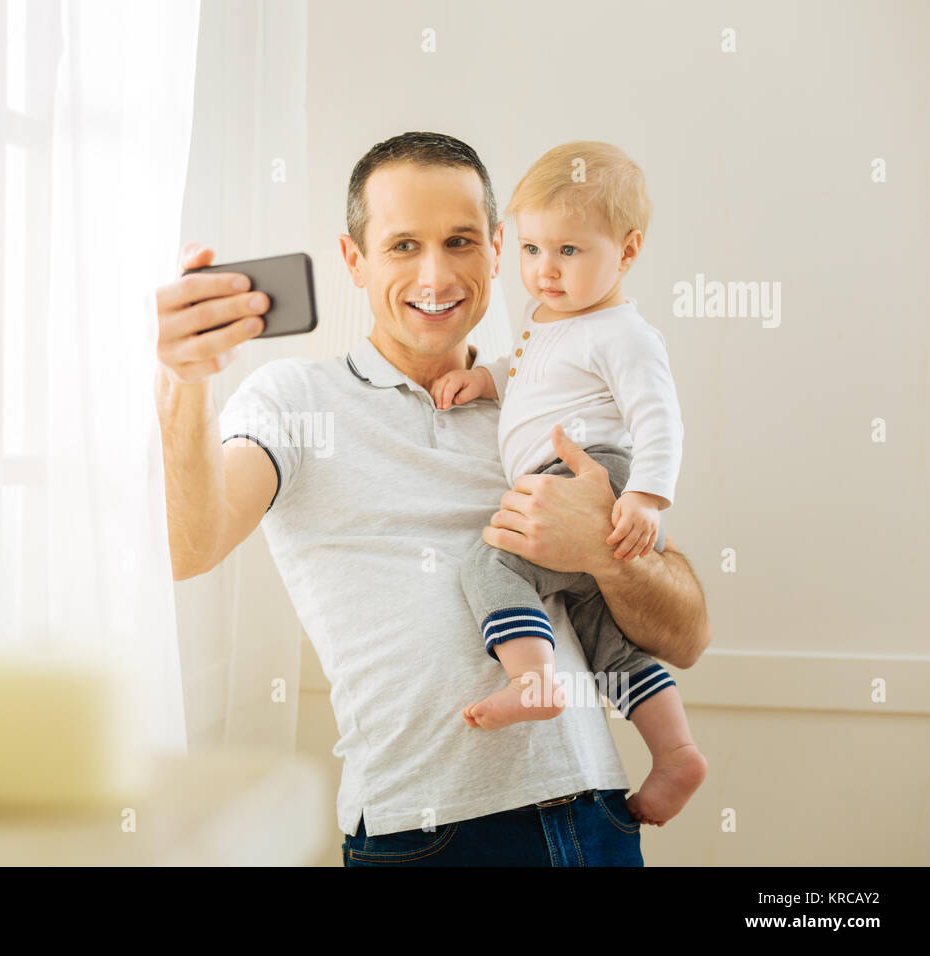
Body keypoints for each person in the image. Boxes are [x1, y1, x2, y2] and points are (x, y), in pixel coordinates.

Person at [154, 131, 710, 866]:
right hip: (431, 833)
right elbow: (191, 547)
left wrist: (605, 555)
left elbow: (687, 633)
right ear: (354, 259)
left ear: (497, 248)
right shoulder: (295, 400)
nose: (436, 273)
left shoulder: (544, 401)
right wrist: (183, 383)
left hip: (597, 814)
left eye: (459, 241)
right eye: (403, 245)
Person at [431, 141, 707, 827]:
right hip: (573, 489)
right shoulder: (546, 320)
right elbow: (529, 372)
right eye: (530, 250)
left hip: (593, 473)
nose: (544, 271)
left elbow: (659, 418)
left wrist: (645, 495)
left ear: (629, 250)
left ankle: (532, 680)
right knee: (607, 640)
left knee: (490, 563)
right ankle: (675, 752)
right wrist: (488, 378)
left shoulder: (624, 333)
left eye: (569, 252)